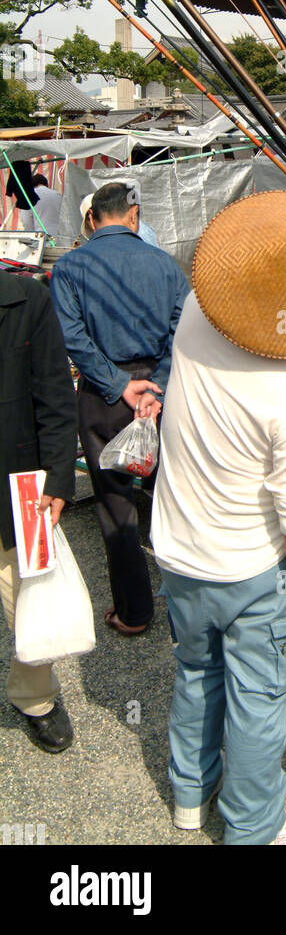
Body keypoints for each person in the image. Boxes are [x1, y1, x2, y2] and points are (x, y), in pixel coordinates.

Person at [151, 192, 286, 845]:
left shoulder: (196, 315)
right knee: (257, 702)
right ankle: (254, 827)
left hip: (177, 549)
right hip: (250, 568)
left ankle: (190, 795)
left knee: (197, 671)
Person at [50, 181, 188, 635]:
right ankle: (188, 608)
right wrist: (157, 389)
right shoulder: (165, 265)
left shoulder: (70, 267)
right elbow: (181, 332)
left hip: (102, 396)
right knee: (175, 495)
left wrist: (118, 385)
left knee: (115, 504)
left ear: (91, 220)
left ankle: (135, 612)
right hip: (160, 396)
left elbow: (72, 338)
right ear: (134, 216)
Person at [0, 270, 78, 751]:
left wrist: (59, 476)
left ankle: (35, 697)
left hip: (17, 483)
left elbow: (54, 391)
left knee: (27, 597)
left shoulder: (26, 297)